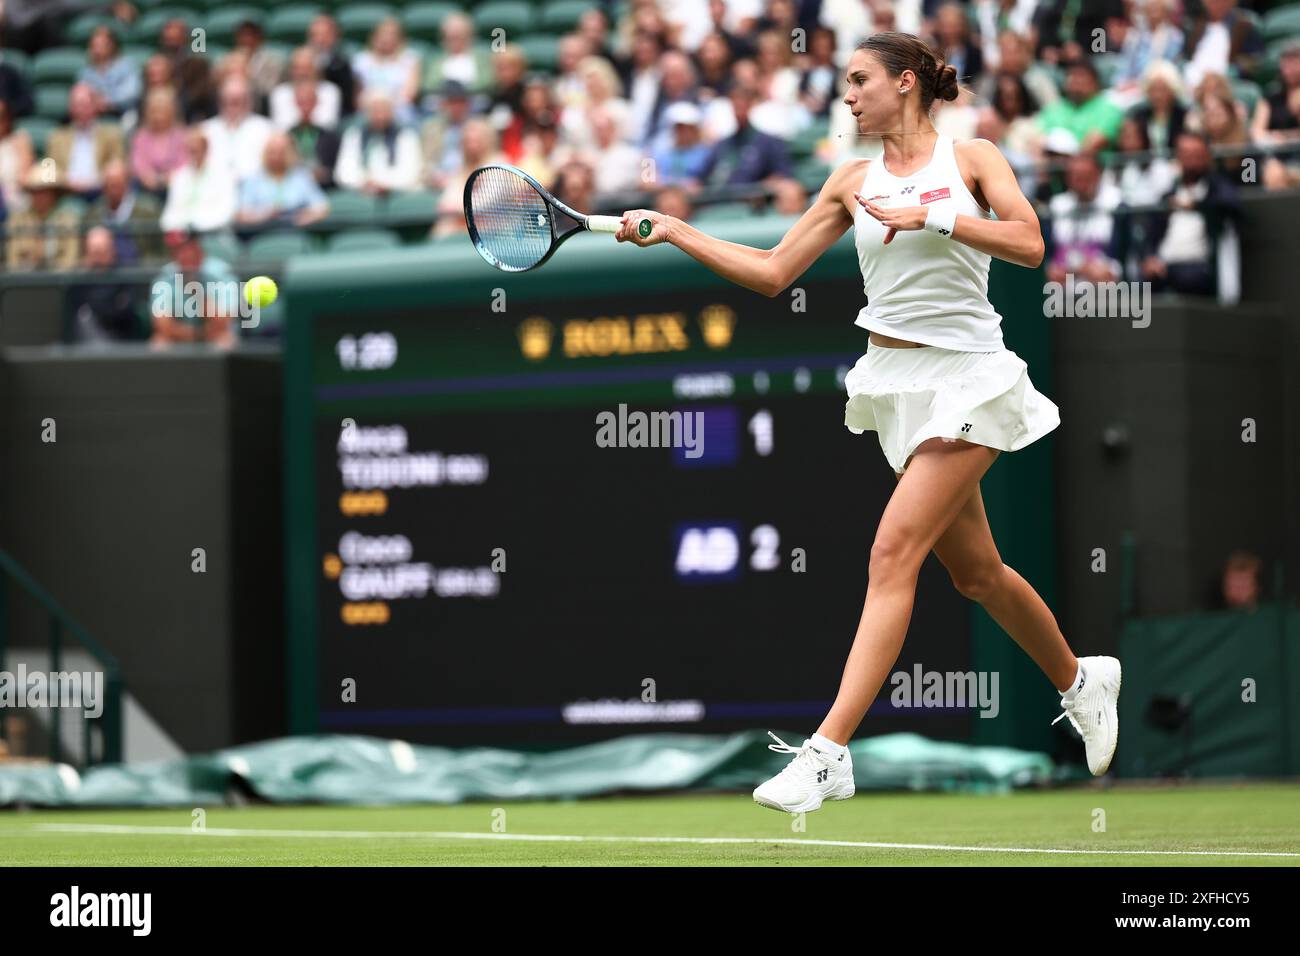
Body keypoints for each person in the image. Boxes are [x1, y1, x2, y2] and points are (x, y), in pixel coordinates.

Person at [614, 32, 1121, 812]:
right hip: (896, 384)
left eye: (859, 81)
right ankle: (1081, 679)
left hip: (969, 377)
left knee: (892, 554)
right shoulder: (849, 180)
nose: (847, 96)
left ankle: (828, 753)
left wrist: (936, 219)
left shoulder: (976, 159)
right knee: (976, 574)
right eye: (844, 84)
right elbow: (773, 272)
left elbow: (1028, 242)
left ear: (906, 83)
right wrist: (677, 230)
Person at [46, 83, 126, 199]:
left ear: (95, 106)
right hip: (67, 193)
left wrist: (96, 181)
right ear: (70, 109)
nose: (80, 110)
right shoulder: (56, 137)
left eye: (84, 105)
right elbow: (48, 171)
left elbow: (117, 165)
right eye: (76, 105)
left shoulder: (112, 135)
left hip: (102, 193)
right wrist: (67, 181)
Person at [334, 90, 422, 194]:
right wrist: (365, 182)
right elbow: (343, 173)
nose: (380, 116)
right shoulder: (354, 135)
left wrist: (382, 182)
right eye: (375, 110)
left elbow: (410, 174)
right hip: (360, 194)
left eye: (384, 110)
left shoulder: (406, 135)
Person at [235, 132, 329, 228]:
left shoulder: (302, 178)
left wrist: (306, 216)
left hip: (296, 232)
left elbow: (321, 207)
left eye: (281, 152)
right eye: (272, 152)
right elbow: (241, 214)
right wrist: (264, 215)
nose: (276, 157)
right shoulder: (252, 179)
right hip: (261, 232)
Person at [67, 225, 142, 342]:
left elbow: (123, 315)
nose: (98, 259)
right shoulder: (77, 282)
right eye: (94, 253)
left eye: (102, 252)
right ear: (87, 254)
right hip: (83, 347)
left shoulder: (125, 278)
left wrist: (95, 305)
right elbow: (70, 317)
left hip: (119, 342)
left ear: (112, 251)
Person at [87, 158, 163, 264]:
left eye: (117, 185)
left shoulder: (148, 210)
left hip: (138, 272)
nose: (113, 190)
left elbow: (159, 252)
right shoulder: (95, 212)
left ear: (128, 185)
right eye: (109, 185)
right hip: (103, 274)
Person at [160, 129, 237, 233]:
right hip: (183, 233)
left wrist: (198, 224)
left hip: (213, 232)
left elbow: (227, 211)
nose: (193, 154)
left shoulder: (223, 174)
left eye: (197, 150)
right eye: (190, 150)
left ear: (206, 149)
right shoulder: (180, 177)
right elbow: (170, 213)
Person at [5, 165, 80, 270]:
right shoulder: (18, 221)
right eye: (36, 192)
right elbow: (13, 259)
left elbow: (71, 258)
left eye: (45, 191)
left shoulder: (68, 220)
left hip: (59, 281)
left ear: (54, 194)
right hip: (24, 281)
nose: (41, 196)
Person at [130, 86, 187, 197]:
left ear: (172, 111)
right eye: (154, 111)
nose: (158, 116)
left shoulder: (182, 135)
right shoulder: (141, 136)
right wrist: (150, 178)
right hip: (146, 188)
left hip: (176, 188)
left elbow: (184, 165)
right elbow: (138, 165)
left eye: (163, 110)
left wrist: (168, 178)